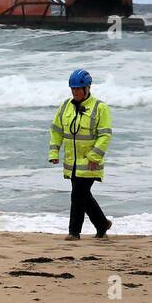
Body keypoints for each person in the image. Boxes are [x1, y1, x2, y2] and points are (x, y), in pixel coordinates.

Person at [48, 68, 113, 239]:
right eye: (73, 89)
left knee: (77, 195)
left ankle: (74, 232)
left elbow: (105, 135)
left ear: (87, 88)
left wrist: (94, 156)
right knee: (84, 196)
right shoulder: (65, 106)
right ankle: (102, 224)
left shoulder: (100, 108)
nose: (75, 92)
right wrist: (54, 152)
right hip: (72, 163)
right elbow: (56, 130)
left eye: (78, 88)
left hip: (90, 162)